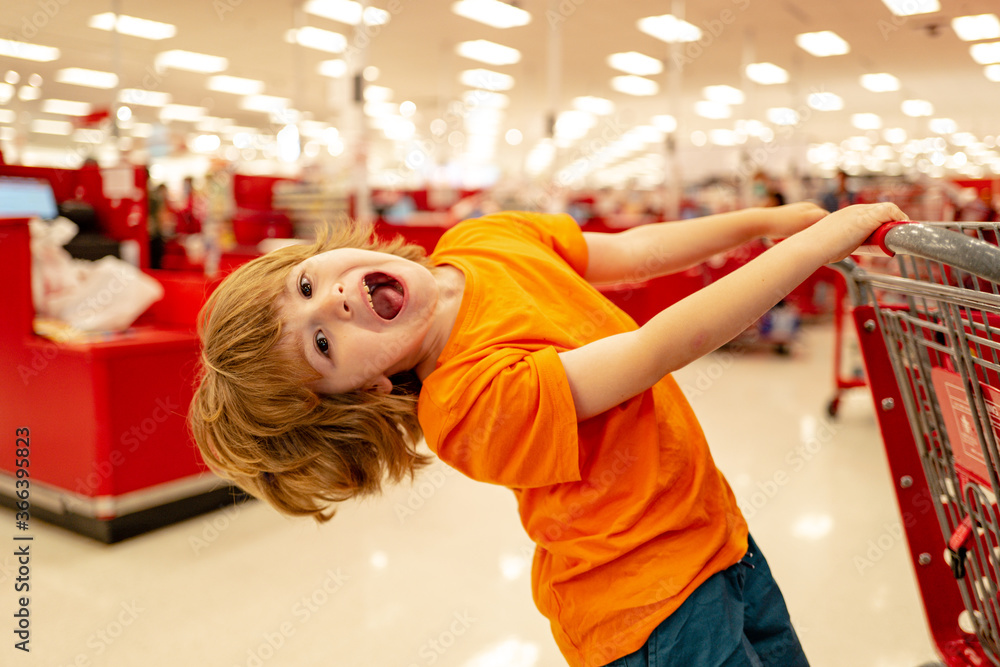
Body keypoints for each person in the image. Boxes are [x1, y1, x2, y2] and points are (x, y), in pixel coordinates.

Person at [189, 201, 908, 667]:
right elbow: (657, 346)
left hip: (716, 535)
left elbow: (635, 248)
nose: (336, 301)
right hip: (649, 612)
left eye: (305, 286)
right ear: (365, 392)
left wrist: (762, 222)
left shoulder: (484, 239)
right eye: (321, 344)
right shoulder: (468, 402)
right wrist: (820, 244)